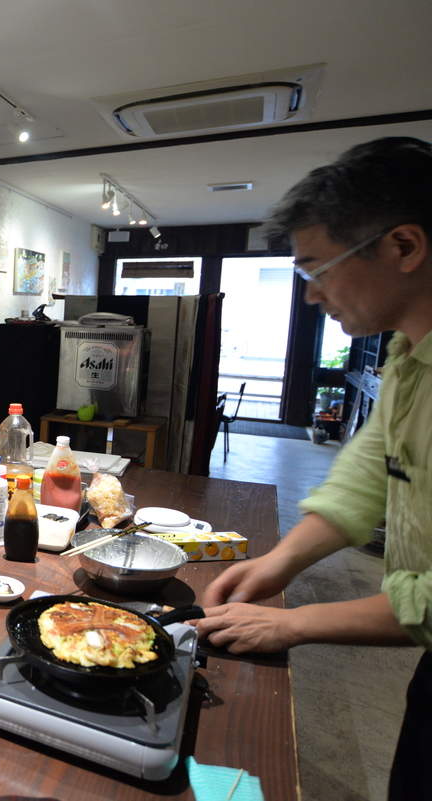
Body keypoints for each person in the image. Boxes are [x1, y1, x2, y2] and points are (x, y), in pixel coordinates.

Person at [195, 137, 432, 800]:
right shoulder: (411, 357)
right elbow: (365, 476)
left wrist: (294, 621)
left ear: (403, 246)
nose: (309, 296)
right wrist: (280, 564)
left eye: (316, 270)